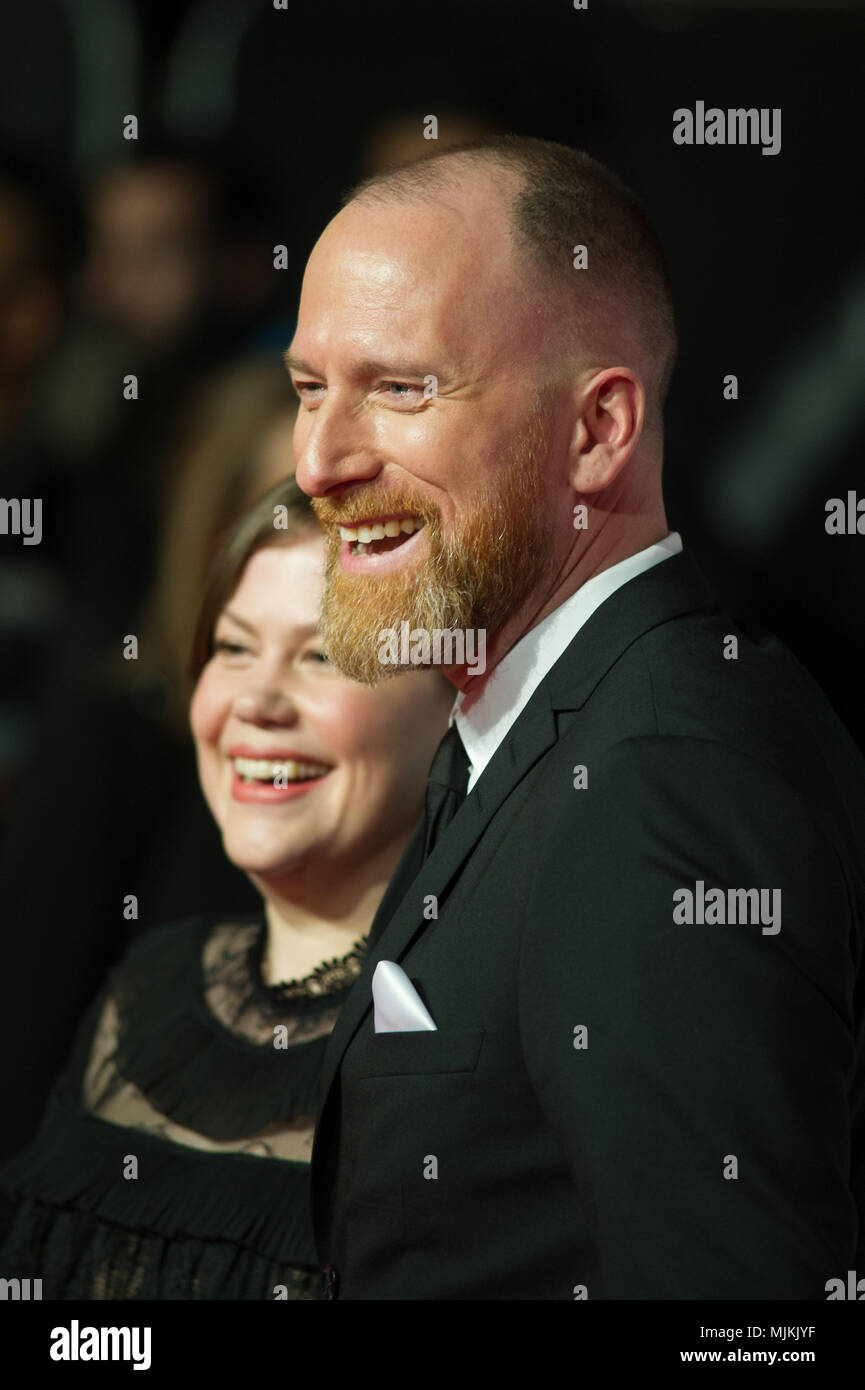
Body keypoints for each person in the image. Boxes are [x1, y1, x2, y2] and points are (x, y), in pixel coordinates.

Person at [287, 134, 865, 1299]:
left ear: (596, 430)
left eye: (401, 388)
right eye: (308, 388)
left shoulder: (662, 780)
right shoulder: (551, 718)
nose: (318, 460)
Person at [0, 475, 453, 1298]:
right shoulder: (148, 991)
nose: (255, 702)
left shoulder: (471, 1045)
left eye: (322, 655)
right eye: (235, 648)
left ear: (458, 703)